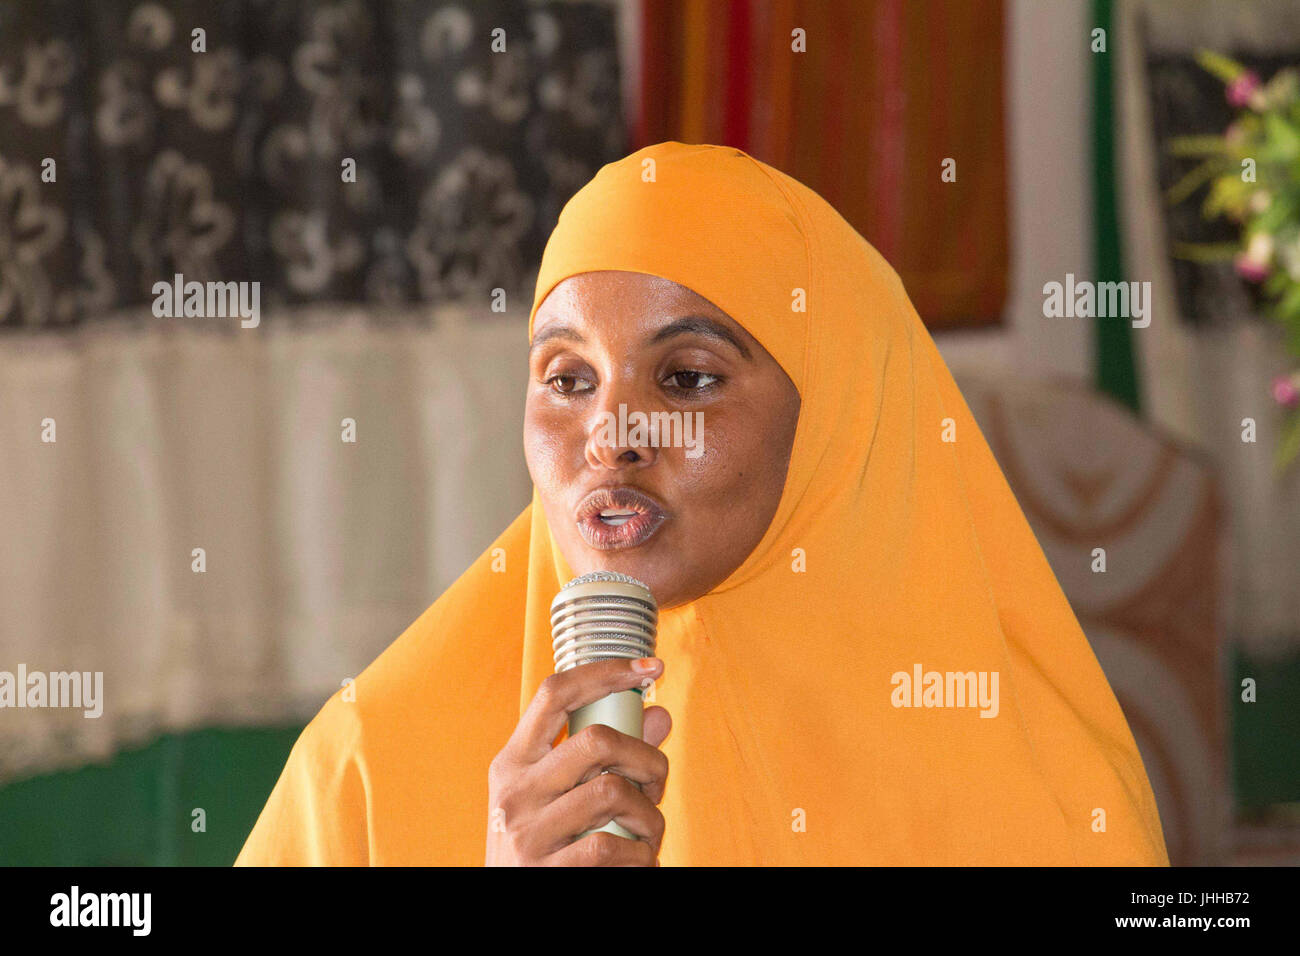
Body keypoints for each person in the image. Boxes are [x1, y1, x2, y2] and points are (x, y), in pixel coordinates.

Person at [235, 141, 1169, 866]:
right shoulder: (365, 766)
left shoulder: (1036, 792)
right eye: (567, 380)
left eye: (685, 378)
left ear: (837, 426)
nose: (610, 435)